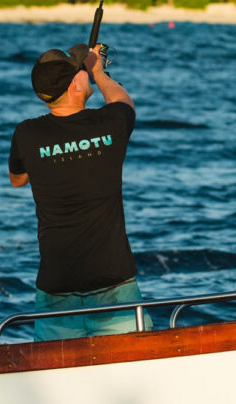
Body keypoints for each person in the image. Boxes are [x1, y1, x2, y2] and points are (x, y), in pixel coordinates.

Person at [8, 43, 140, 339]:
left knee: (55, 376)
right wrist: (99, 72)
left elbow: (17, 180)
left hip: (56, 284)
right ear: (77, 83)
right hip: (113, 284)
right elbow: (123, 102)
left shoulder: (26, 134)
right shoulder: (110, 123)